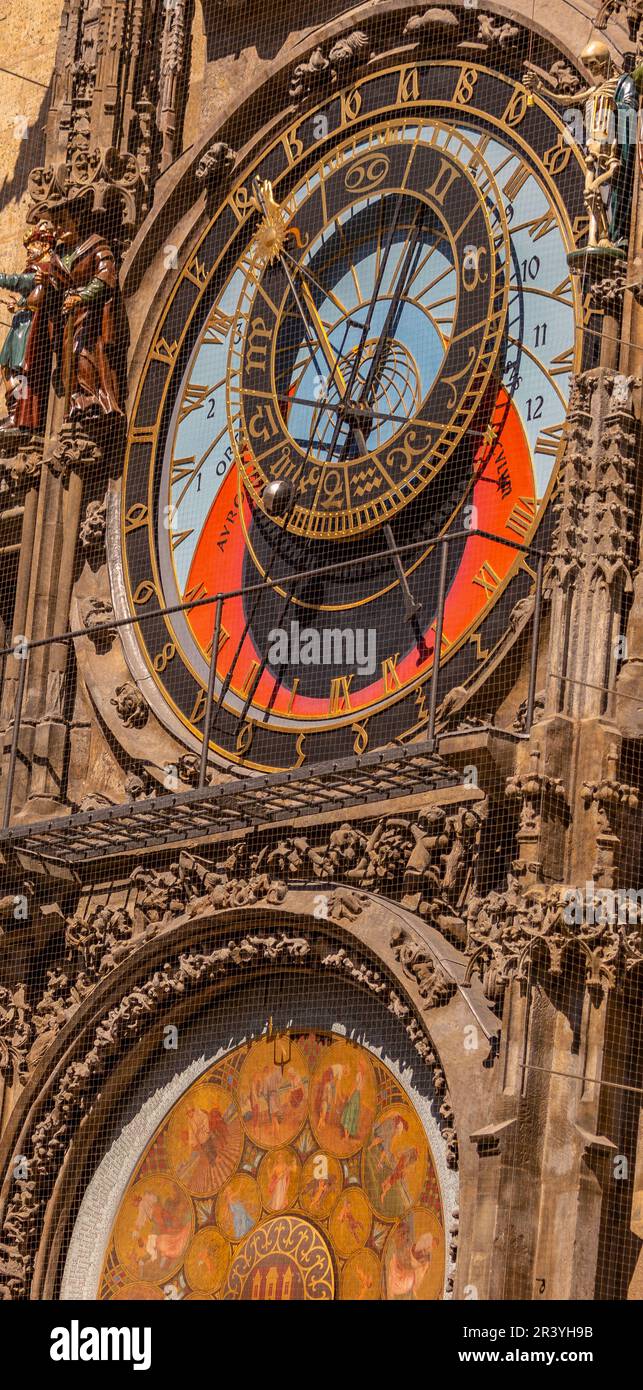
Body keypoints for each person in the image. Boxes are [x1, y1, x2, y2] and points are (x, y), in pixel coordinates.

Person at [44, 198, 128, 420]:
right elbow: (53, 290)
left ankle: (94, 399)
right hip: (67, 316)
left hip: (91, 314)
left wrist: (81, 296)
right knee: (67, 359)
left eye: (62, 221)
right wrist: (47, 285)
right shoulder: (58, 256)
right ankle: (78, 401)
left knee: (83, 352)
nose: (57, 229)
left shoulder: (96, 244)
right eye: (55, 224)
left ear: (77, 219)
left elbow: (105, 274)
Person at [0, 220, 55, 442]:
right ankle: (14, 411)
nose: (28, 251)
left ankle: (17, 415)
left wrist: (2, 279)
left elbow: (23, 284)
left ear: (44, 246)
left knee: (17, 371)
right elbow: (31, 295)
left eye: (31, 245)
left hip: (28, 331)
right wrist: (20, 305)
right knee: (8, 369)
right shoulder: (38, 270)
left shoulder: (43, 269)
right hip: (21, 326)